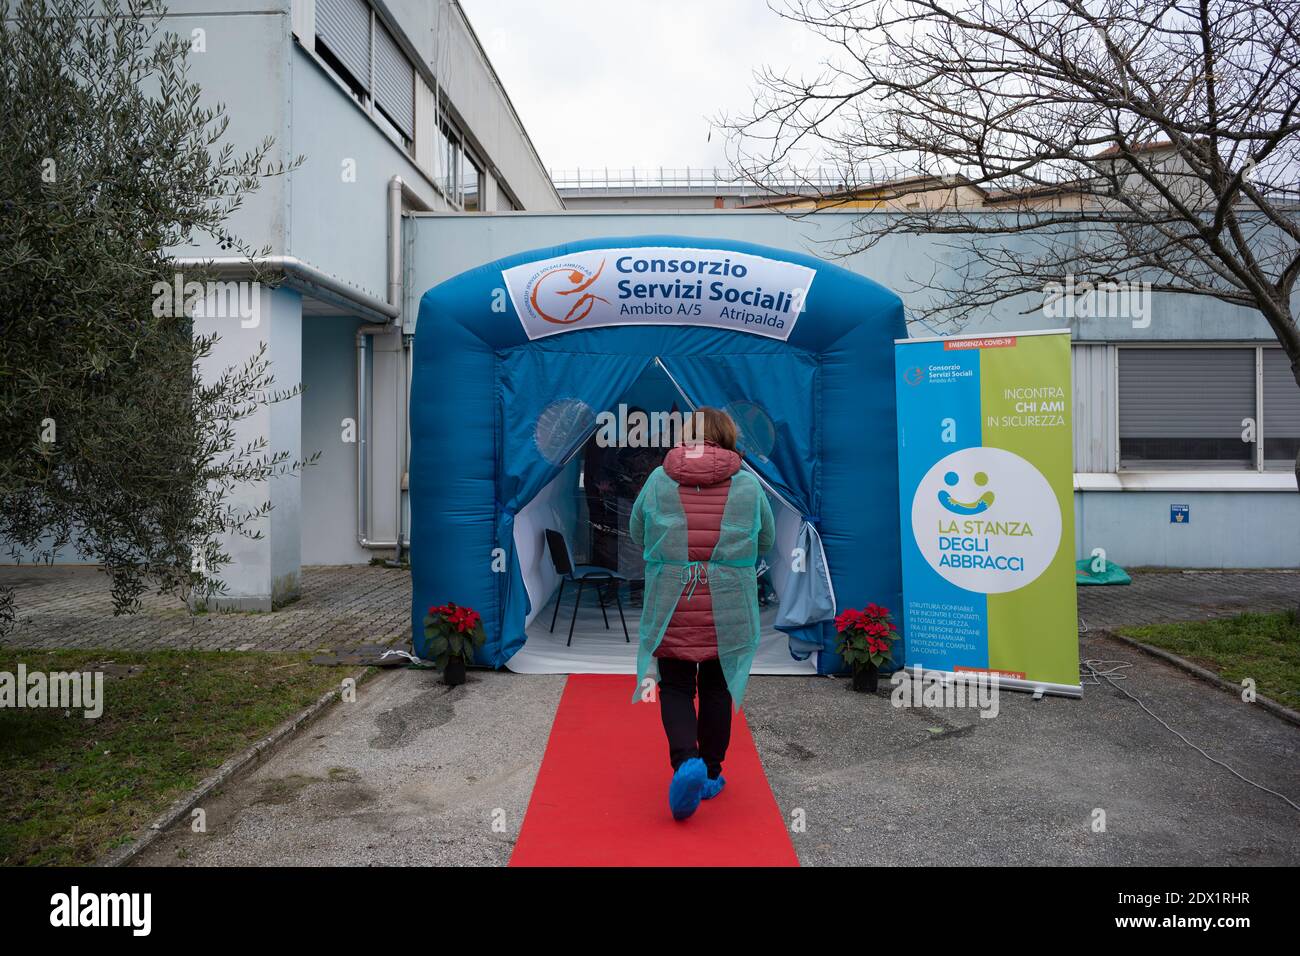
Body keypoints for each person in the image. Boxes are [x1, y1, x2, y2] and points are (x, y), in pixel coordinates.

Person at [629, 407, 775, 821]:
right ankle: (710, 773)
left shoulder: (659, 479)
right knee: (717, 686)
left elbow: (638, 531)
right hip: (729, 600)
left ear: (687, 436)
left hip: (672, 598)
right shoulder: (748, 484)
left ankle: (685, 761)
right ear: (727, 437)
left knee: (674, 684)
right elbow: (766, 539)